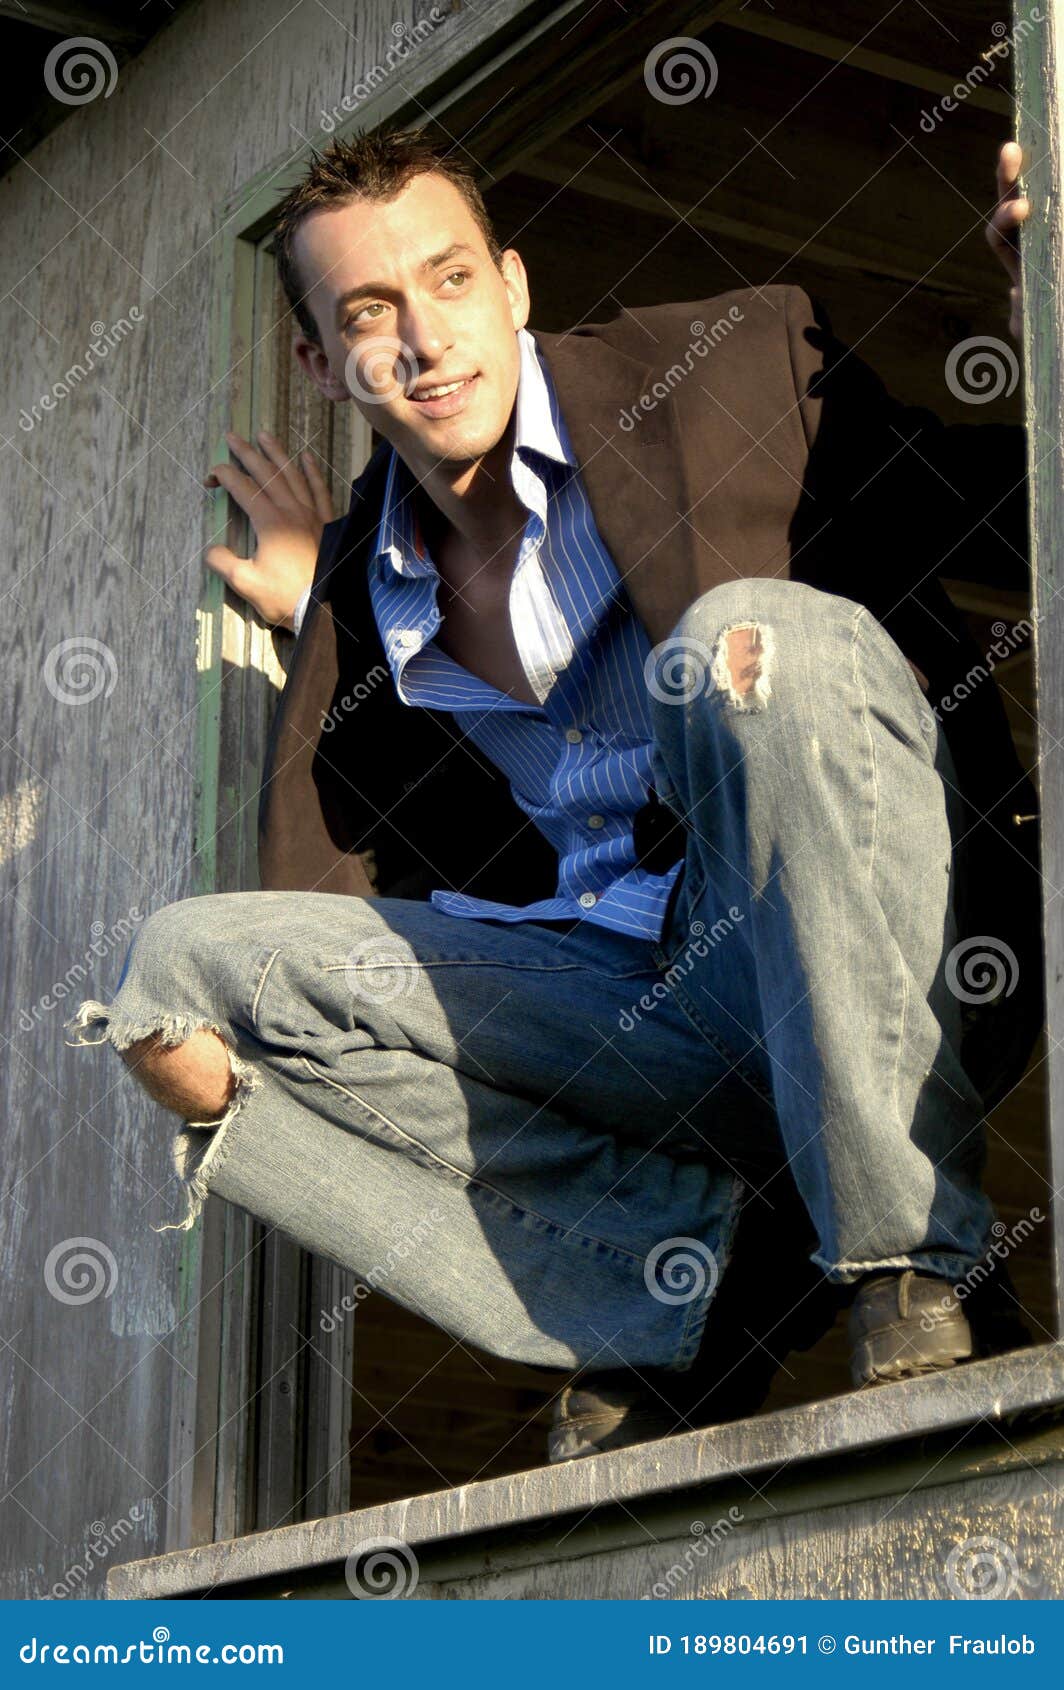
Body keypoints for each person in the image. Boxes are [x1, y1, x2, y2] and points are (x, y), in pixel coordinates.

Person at [67, 131, 1040, 1462]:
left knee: (741, 647)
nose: (424, 339)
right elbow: (397, 893)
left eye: (451, 279)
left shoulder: (733, 365)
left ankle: (911, 1268)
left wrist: (1036, 301)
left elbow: (1007, 514)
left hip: (876, 929)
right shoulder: (370, 606)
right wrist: (321, 612)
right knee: (179, 976)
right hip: (648, 1015)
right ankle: (684, 1285)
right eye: (367, 314)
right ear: (318, 361)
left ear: (514, 284)